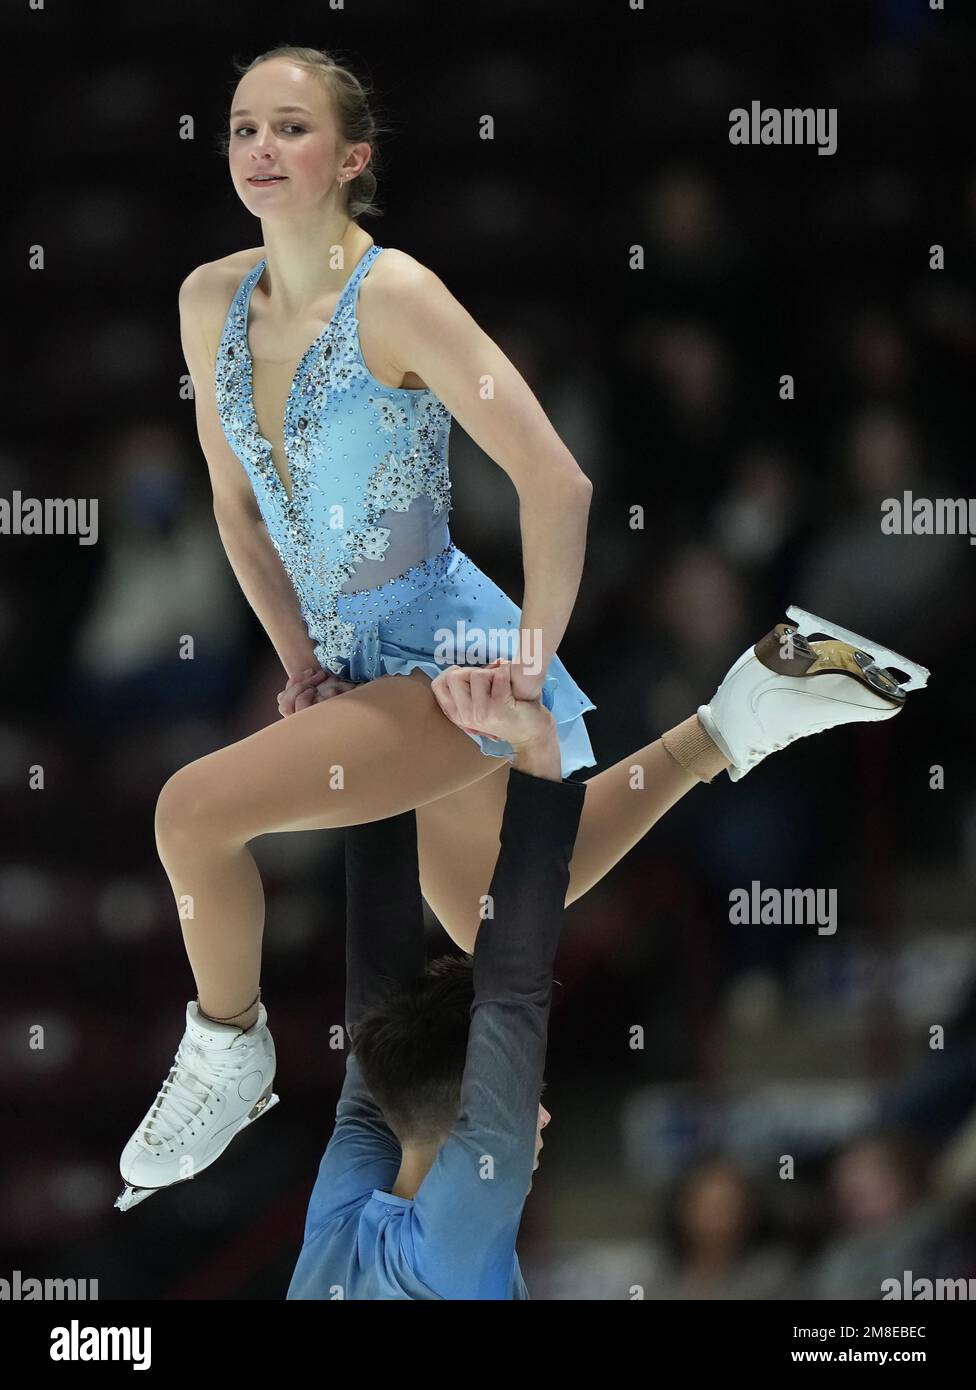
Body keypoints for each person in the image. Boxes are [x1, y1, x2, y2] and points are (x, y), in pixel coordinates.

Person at [114, 43, 930, 1211]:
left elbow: (558, 481)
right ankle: (733, 717)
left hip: (447, 660)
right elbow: (235, 509)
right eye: (243, 127)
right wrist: (303, 663)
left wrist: (524, 661)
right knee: (491, 910)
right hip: (361, 665)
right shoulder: (209, 302)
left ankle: (228, 1050)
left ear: (353, 157)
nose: (259, 149)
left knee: (189, 811)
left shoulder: (393, 295)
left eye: (290, 129)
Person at [288, 661, 583, 1298]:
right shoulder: (342, 1223)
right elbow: (376, 1019)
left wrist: (536, 745)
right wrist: (363, 739)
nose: (541, 1115)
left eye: (520, 1094)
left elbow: (515, 995)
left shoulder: (444, 1255)